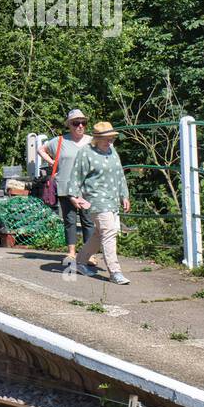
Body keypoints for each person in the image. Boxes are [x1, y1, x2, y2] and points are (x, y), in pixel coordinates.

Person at [69, 121, 132, 285]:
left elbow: (119, 174)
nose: (109, 141)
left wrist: (124, 195)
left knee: (100, 233)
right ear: (96, 138)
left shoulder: (112, 151)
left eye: (111, 138)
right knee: (109, 232)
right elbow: (76, 175)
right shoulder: (86, 152)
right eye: (106, 138)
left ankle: (79, 262)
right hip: (96, 199)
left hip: (112, 199)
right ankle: (115, 272)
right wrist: (74, 196)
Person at [38, 109, 94, 263]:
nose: (80, 126)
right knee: (69, 219)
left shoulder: (92, 140)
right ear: (69, 125)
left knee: (87, 220)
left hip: (86, 187)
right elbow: (41, 149)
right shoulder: (59, 141)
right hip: (65, 185)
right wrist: (52, 162)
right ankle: (71, 252)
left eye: (83, 122)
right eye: (76, 123)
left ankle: (89, 254)